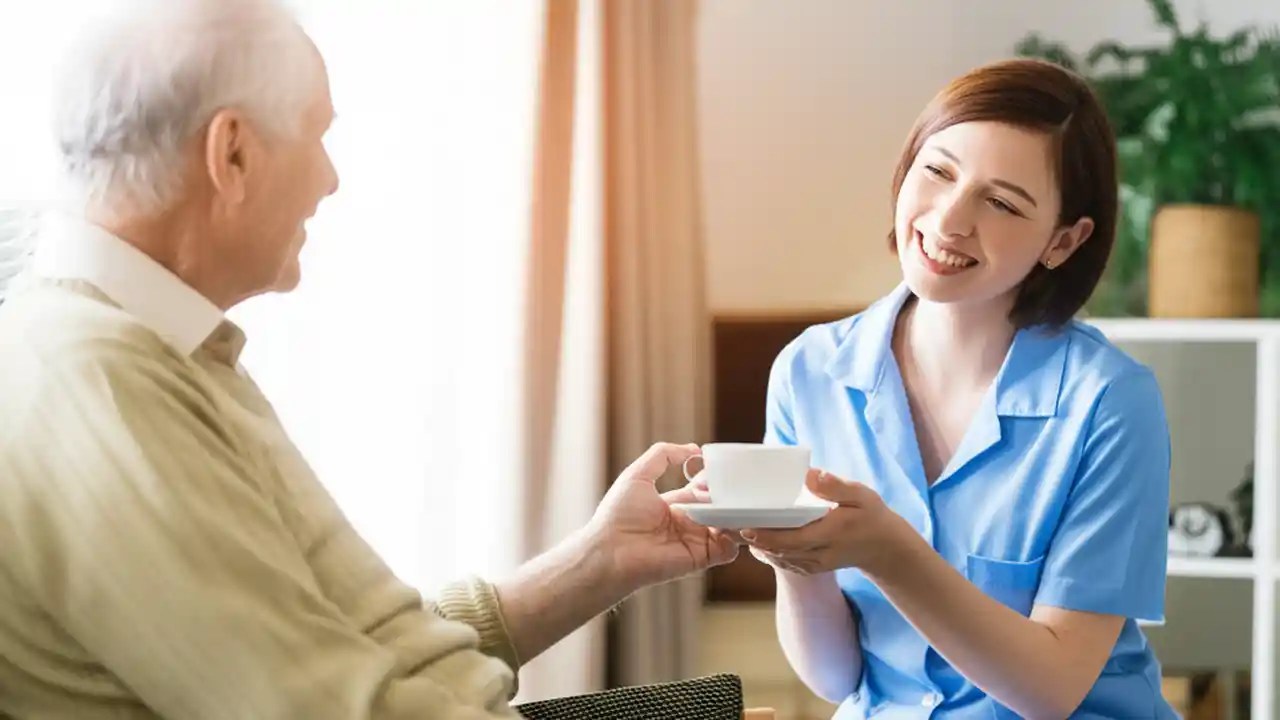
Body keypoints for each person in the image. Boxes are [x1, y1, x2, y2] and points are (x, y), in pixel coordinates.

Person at [0, 1, 737, 718]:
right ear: (232, 153)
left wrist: (599, 561)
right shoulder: (96, 380)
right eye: (316, 134)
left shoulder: (161, 351)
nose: (330, 179)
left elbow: (359, 647)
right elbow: (331, 704)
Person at [743, 59, 1177, 718]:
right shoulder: (808, 373)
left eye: (1001, 202)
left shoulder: (1110, 403)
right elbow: (836, 677)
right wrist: (788, 553)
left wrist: (890, 552)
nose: (949, 222)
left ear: (1064, 240)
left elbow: (1052, 690)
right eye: (939, 171)